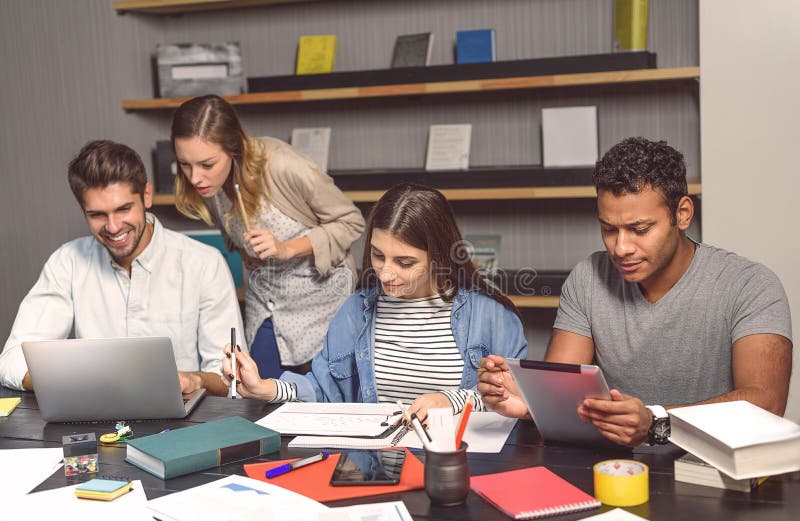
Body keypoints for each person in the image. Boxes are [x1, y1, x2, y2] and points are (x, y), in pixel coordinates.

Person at [478, 137, 792, 447]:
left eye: (640, 229)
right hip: (615, 467)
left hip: (714, 473)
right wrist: (532, 403)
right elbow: (565, 391)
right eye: (608, 229)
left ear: (682, 214)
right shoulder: (588, 278)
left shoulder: (751, 285)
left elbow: (765, 404)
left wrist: (655, 421)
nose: (621, 247)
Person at [222, 183, 528, 419]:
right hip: (378, 469)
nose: (385, 273)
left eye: (405, 263)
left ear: (439, 255)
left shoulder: (490, 314)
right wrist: (265, 387)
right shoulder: (358, 309)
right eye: (378, 255)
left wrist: (452, 400)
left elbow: (519, 401)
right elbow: (325, 389)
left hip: (461, 469)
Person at [0, 140, 243, 396]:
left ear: (146, 196)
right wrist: (78, 382)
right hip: (92, 422)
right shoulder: (67, 262)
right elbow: (12, 360)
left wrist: (195, 380)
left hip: (184, 426)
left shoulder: (204, 263)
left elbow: (232, 377)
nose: (113, 227)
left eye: (124, 209)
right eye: (97, 215)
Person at [170, 95, 365, 379]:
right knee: (261, 403)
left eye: (206, 165)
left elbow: (351, 221)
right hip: (266, 307)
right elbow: (235, 232)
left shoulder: (284, 165)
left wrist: (287, 249)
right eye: (185, 165)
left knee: (323, 406)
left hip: (322, 307)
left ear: (234, 148)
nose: (195, 177)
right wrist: (247, 254)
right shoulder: (208, 186)